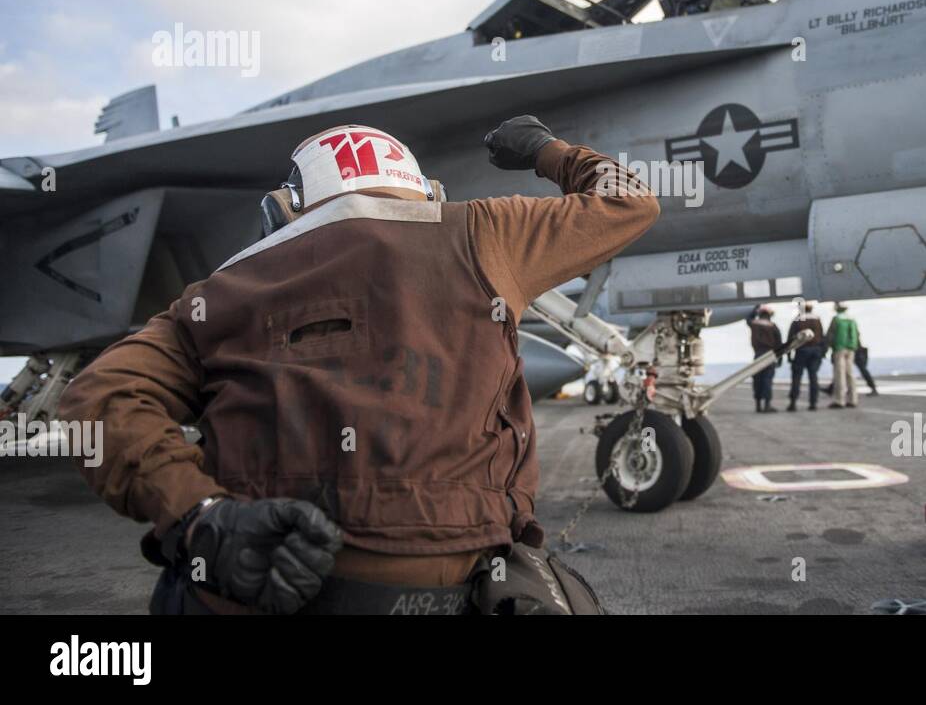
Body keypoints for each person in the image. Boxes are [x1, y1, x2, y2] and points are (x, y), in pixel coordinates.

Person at [60, 116, 659, 615]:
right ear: (425, 191)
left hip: (257, 589)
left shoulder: (219, 290)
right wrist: (543, 148)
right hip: (448, 589)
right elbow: (629, 201)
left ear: (282, 209)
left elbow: (96, 400)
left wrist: (203, 517)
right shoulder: (484, 233)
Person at [785, 299, 825, 412]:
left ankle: (793, 403)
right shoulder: (817, 320)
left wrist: (788, 355)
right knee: (813, 377)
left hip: (801, 351)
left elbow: (790, 338)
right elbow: (822, 337)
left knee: (797, 377)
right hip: (815, 351)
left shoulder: (797, 320)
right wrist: (823, 352)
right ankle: (813, 403)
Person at [745, 303, 782, 413]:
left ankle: (758, 405)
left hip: (758, 355)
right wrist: (779, 359)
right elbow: (779, 344)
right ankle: (767, 405)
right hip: (770, 356)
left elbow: (748, 318)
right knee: (767, 380)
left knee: (758, 380)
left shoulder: (754, 324)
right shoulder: (773, 326)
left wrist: (755, 308)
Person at [827, 302, 861, 408]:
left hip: (839, 348)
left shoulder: (836, 319)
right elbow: (857, 333)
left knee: (839, 375)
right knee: (850, 374)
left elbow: (831, 335)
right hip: (851, 348)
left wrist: (829, 346)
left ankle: (839, 400)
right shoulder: (851, 319)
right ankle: (853, 399)